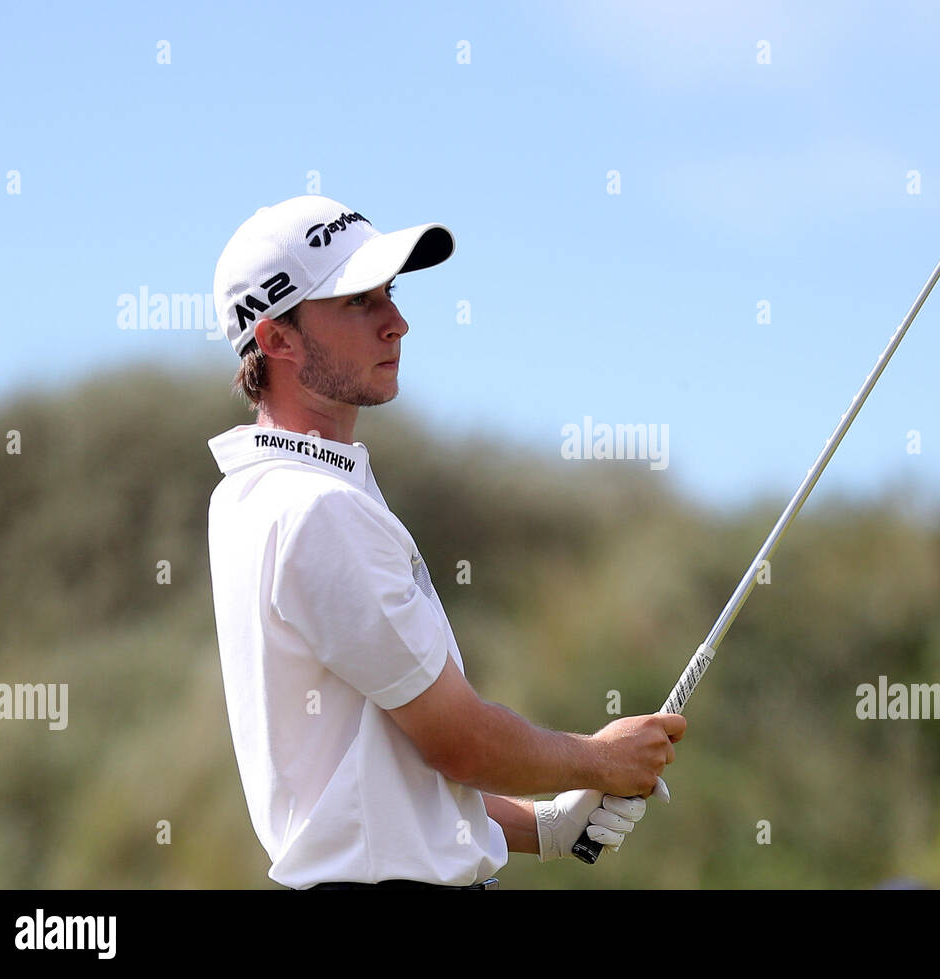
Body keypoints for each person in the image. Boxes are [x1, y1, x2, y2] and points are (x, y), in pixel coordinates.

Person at [207, 196, 685, 890]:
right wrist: (599, 759)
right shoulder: (318, 507)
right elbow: (460, 743)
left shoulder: (259, 494)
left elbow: (387, 780)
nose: (396, 323)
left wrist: (547, 826)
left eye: (389, 295)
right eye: (356, 303)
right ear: (278, 338)